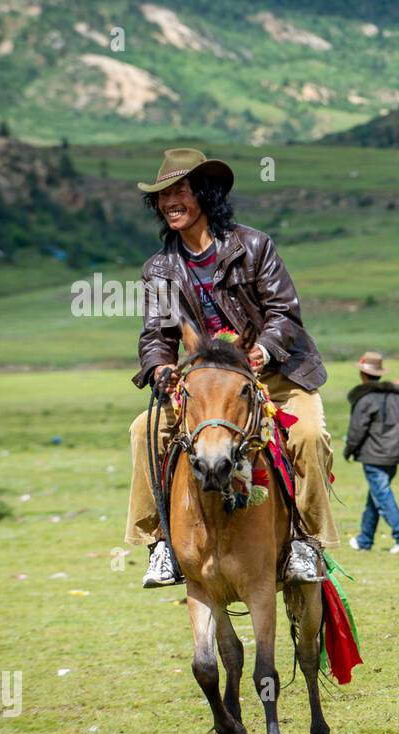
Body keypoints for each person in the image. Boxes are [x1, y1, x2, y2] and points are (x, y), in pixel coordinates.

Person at [126, 148, 337, 587]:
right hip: (205, 384)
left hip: (275, 374)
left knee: (309, 434)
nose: (170, 203)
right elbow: (155, 335)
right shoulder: (160, 270)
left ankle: (305, 541)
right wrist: (160, 367)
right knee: (143, 430)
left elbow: (284, 311)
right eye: (163, 196)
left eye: (179, 191)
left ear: (204, 194)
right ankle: (161, 544)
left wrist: (263, 349)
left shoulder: (254, 246)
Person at [344, 351, 399, 553]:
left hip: (373, 456)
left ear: (363, 375)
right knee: (376, 496)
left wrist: (348, 450)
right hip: (395, 455)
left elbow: (357, 430)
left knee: (382, 495)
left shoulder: (365, 399)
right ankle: (364, 540)